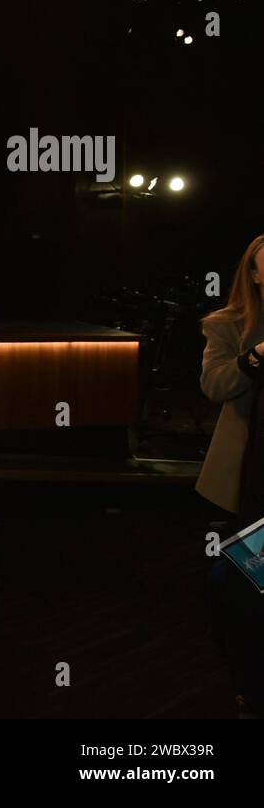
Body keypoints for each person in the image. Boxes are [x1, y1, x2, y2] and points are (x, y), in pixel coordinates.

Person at [198, 235, 264, 716]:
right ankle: (250, 688)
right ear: (254, 275)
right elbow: (214, 385)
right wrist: (255, 357)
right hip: (252, 476)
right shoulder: (227, 325)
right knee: (250, 586)